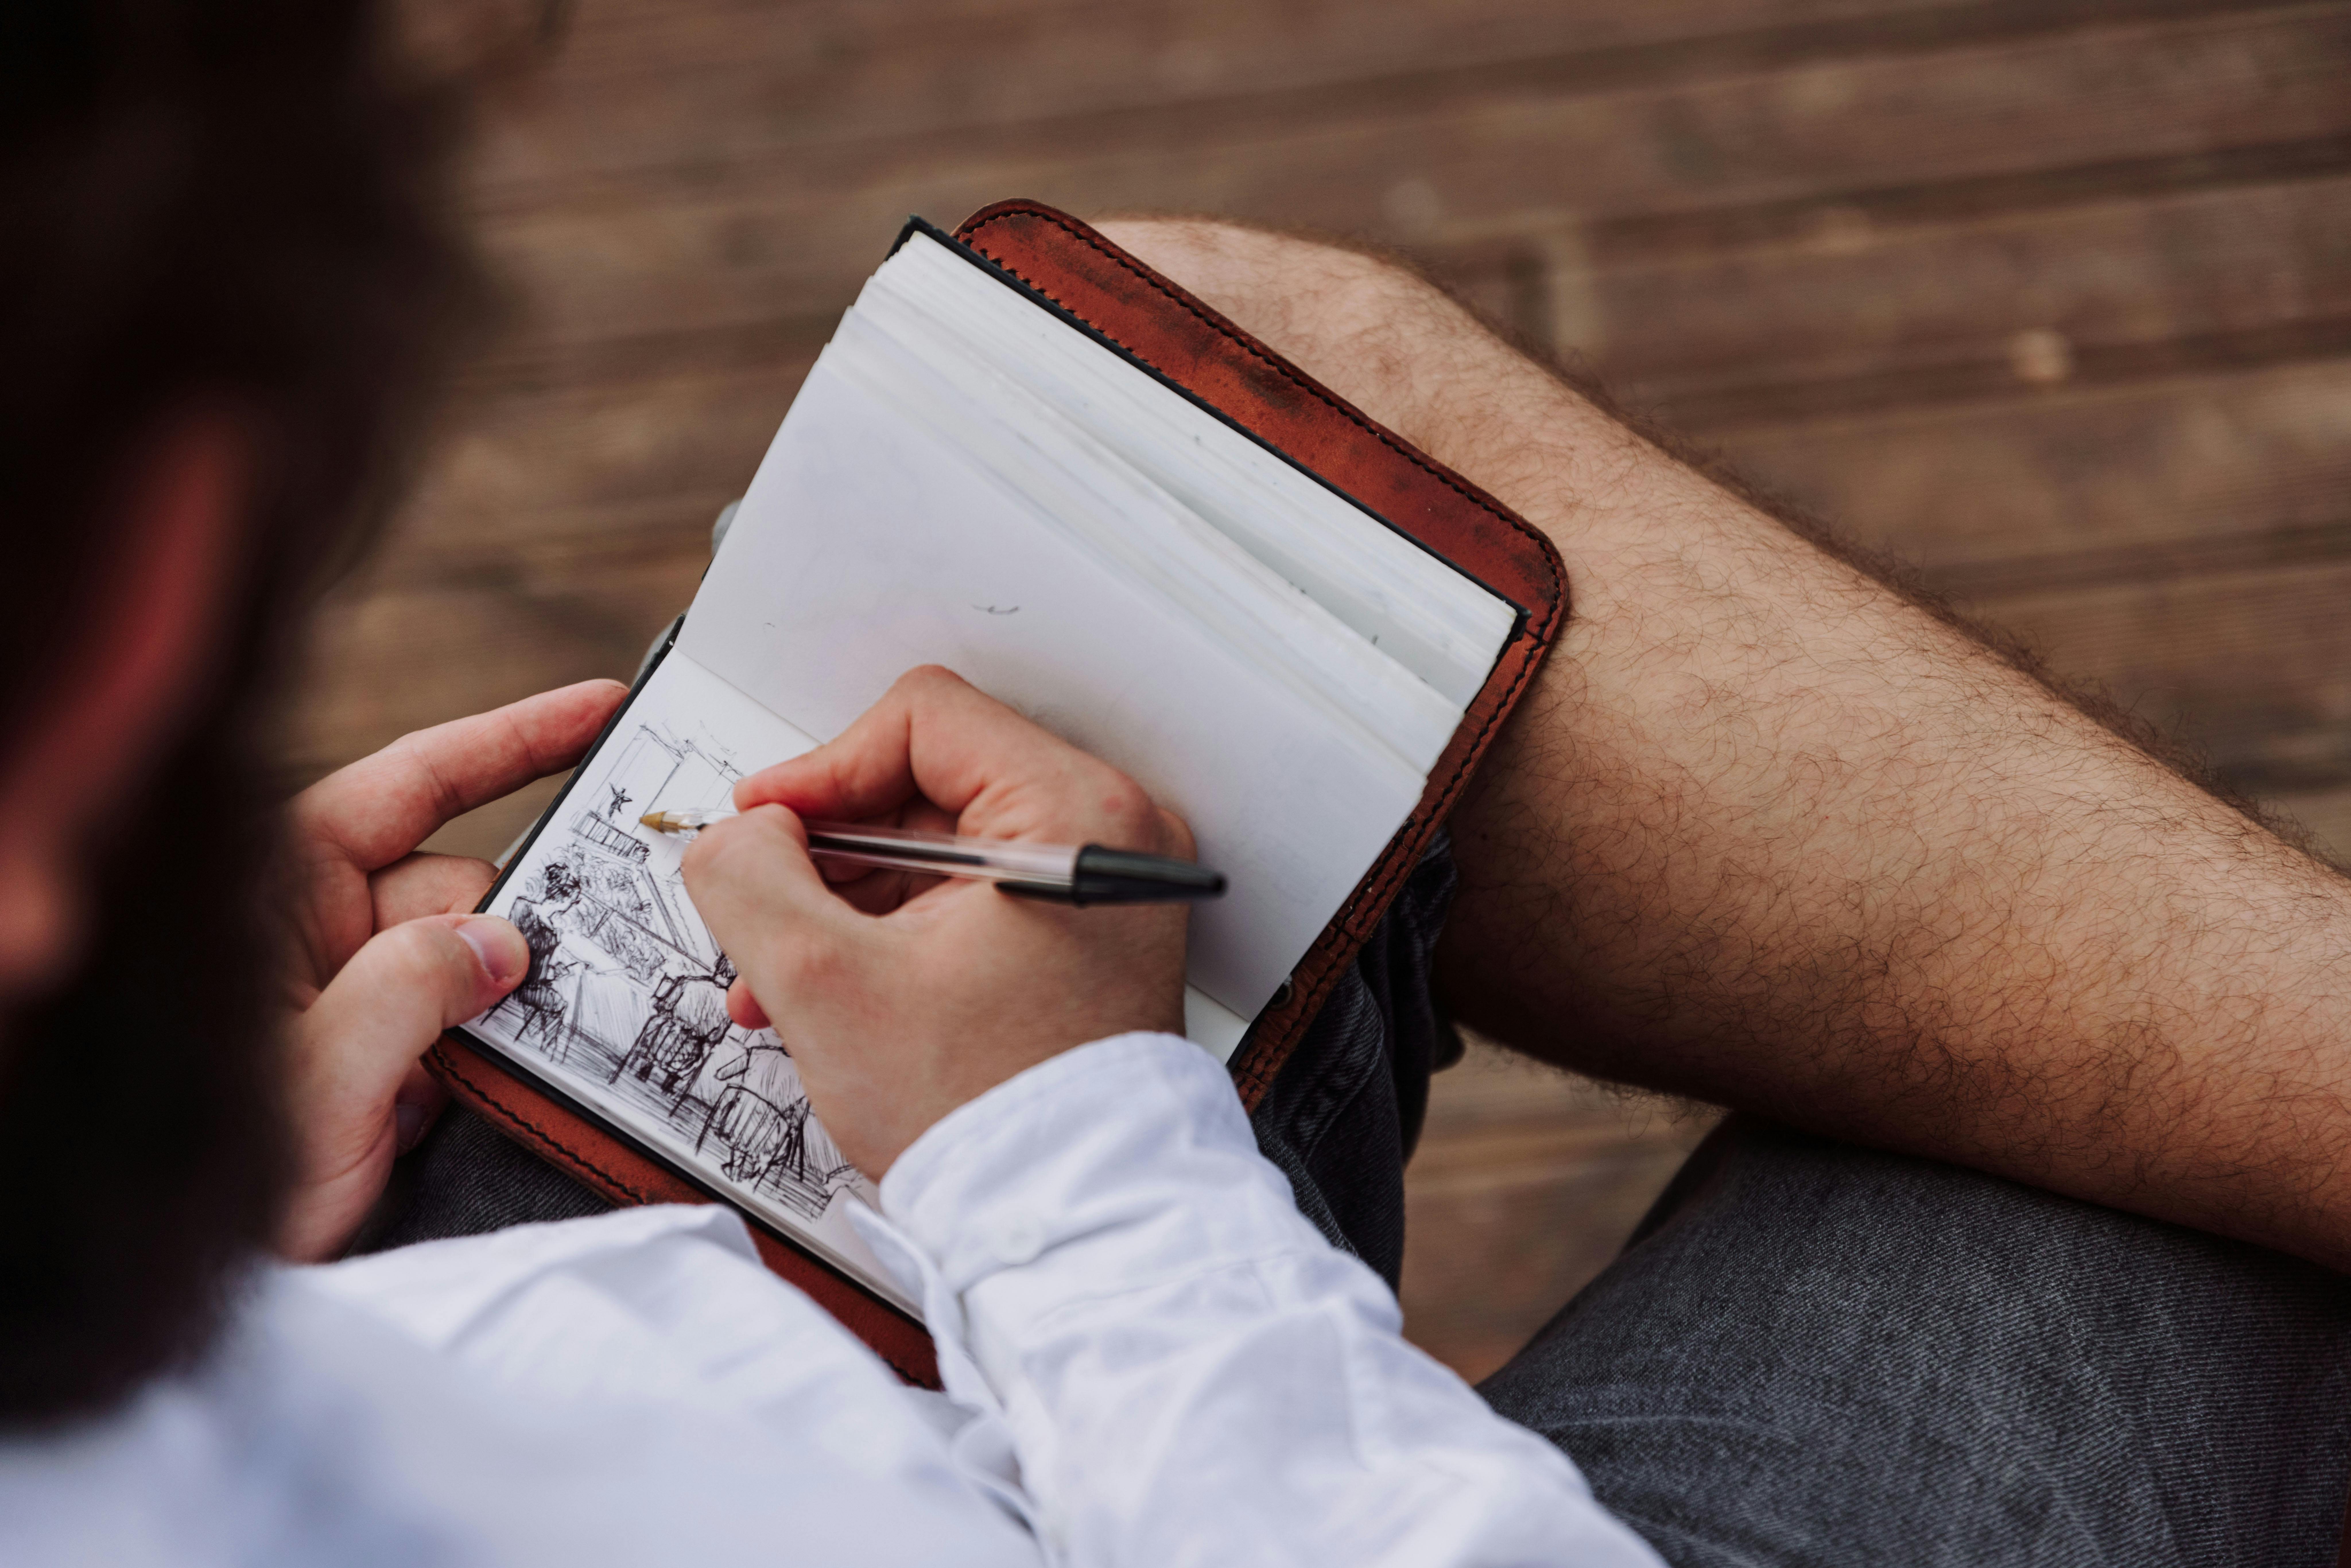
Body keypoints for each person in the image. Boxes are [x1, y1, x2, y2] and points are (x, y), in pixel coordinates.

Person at [0, 7, 2343, 1568]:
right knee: (2119, 1176)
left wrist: (143, 1171)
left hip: (292, 1296)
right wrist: (1069, 1157)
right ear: (156, 594)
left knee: (1201, 412)